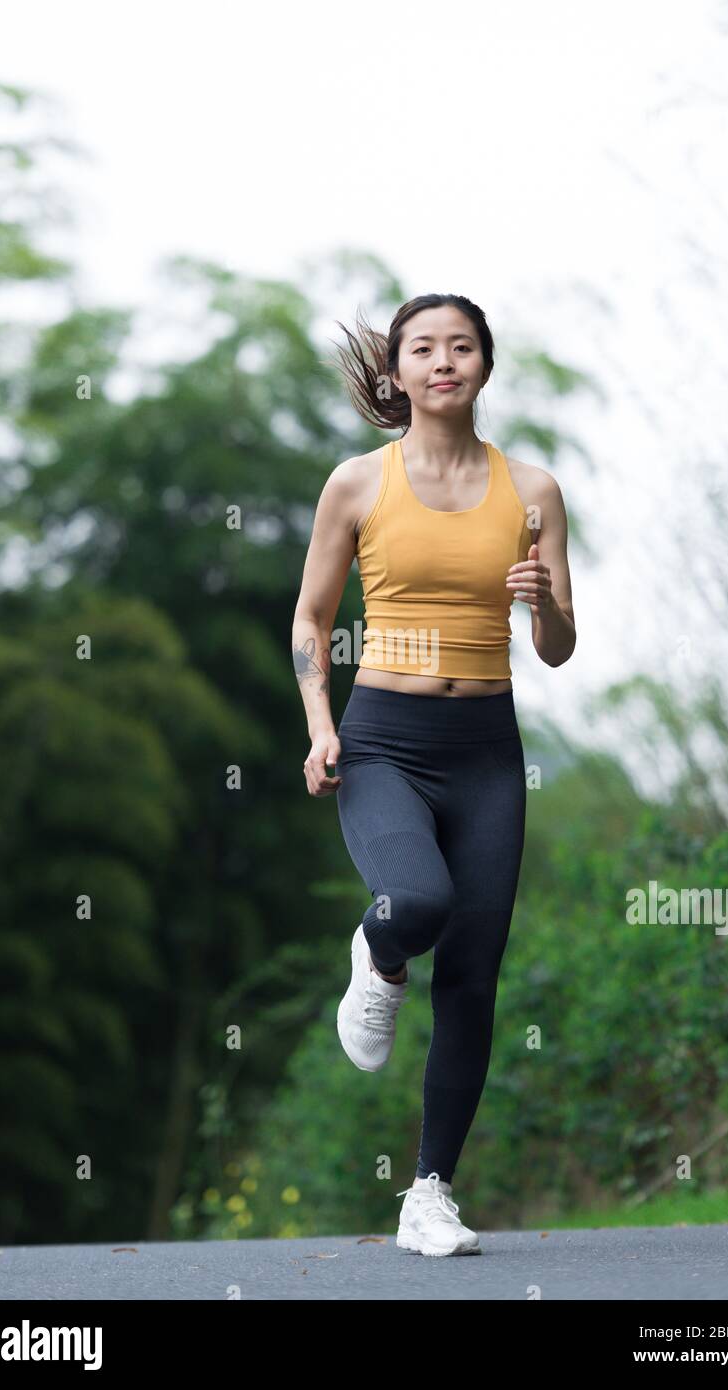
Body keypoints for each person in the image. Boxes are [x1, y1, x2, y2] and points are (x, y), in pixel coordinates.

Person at [292, 293, 576, 1256]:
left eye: (461, 345)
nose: (443, 359)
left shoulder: (531, 491)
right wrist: (319, 726)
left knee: (473, 973)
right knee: (415, 899)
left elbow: (560, 648)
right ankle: (373, 952)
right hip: (384, 740)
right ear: (397, 372)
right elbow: (310, 619)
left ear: (485, 368)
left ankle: (429, 1194)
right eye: (424, 347)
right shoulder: (357, 485)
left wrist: (543, 605)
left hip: (487, 751)